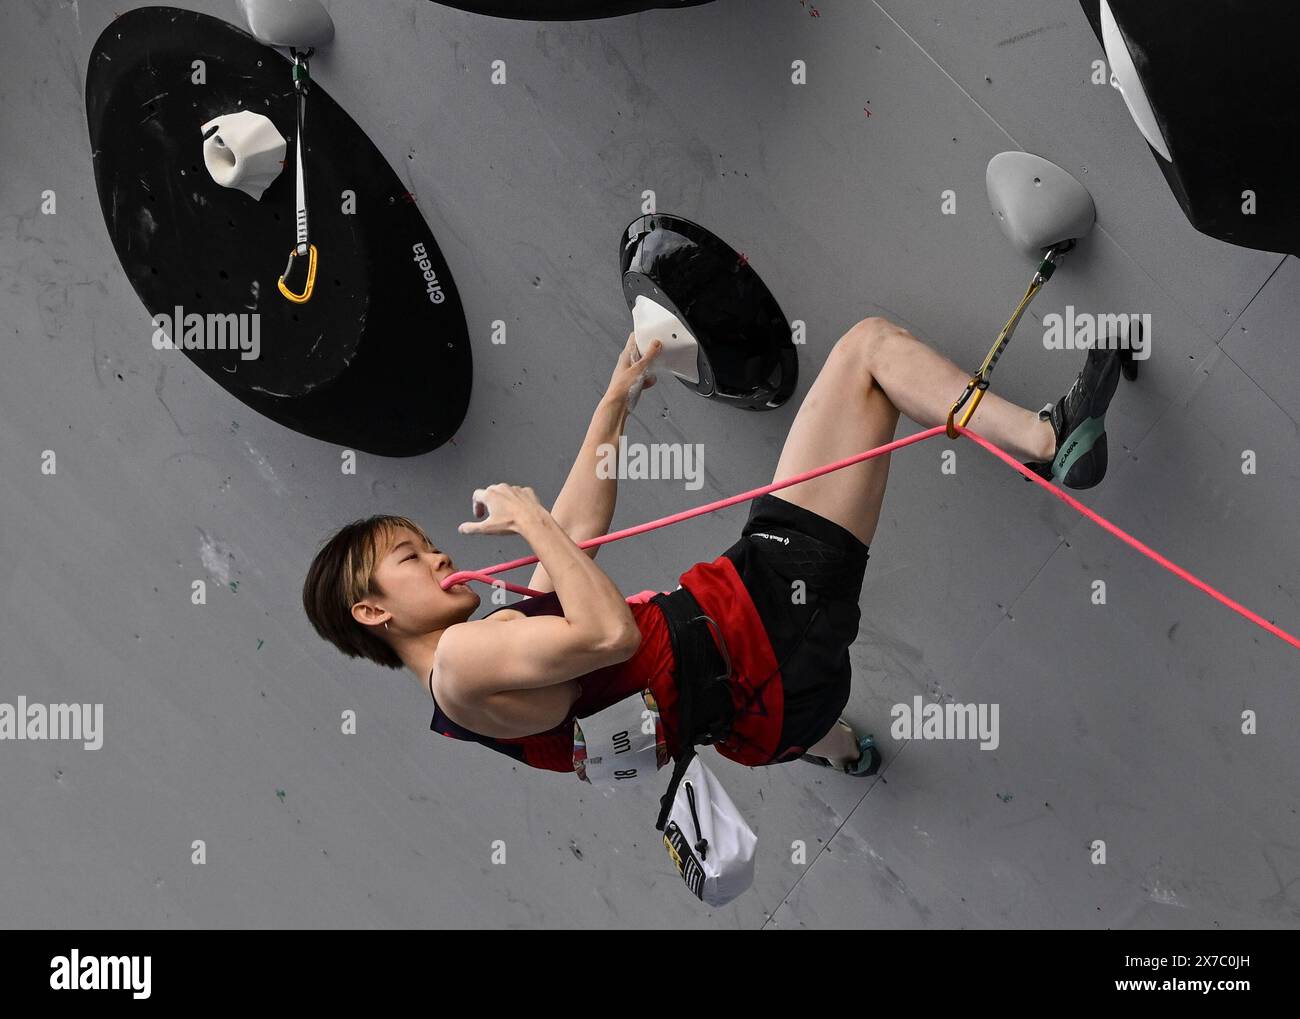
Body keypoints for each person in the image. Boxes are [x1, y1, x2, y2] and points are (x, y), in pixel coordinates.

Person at [302, 317, 1127, 777]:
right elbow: (606, 633)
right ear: (371, 609)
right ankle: (1049, 439)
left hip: (762, 717)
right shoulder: (459, 667)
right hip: (766, 619)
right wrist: (529, 520)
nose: (441, 557)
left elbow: (579, 541)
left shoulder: (476, 680)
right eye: (413, 558)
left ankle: (842, 751)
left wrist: (613, 404)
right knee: (866, 353)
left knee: (784, 714)